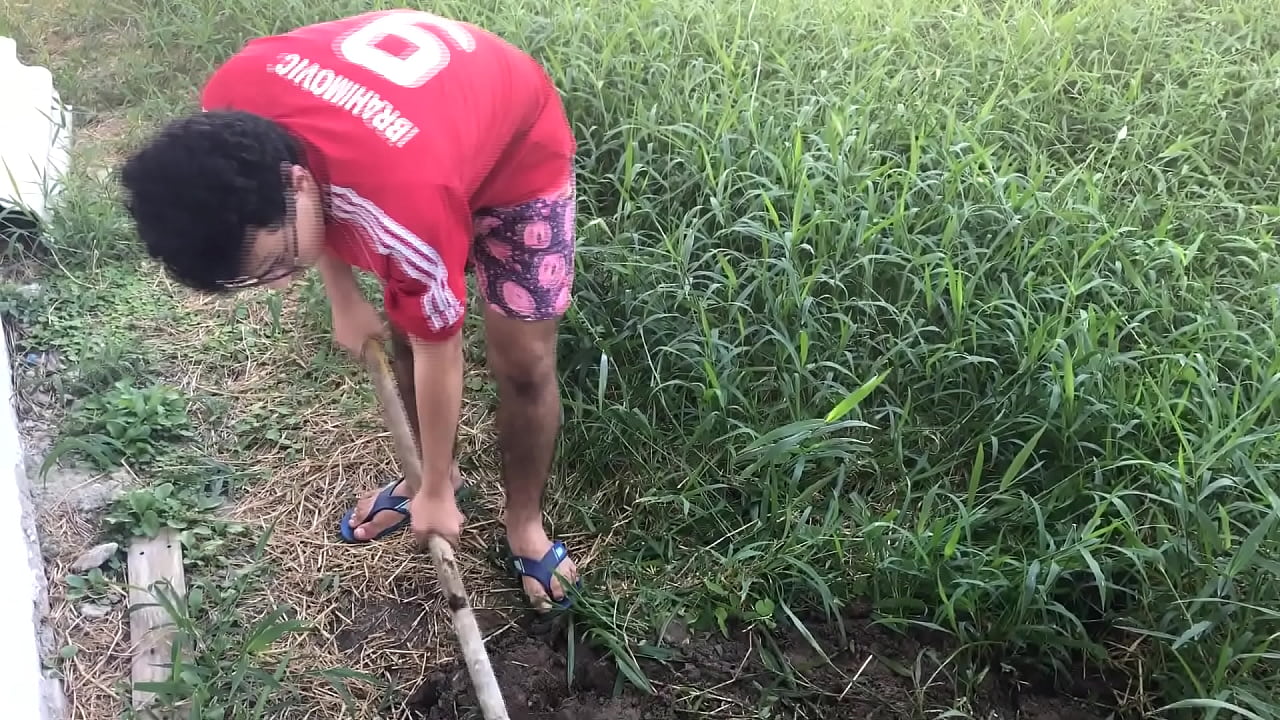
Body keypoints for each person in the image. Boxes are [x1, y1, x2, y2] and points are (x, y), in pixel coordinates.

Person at [118, 9, 580, 610]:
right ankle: (435, 476)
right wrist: (343, 294)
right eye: (257, 278)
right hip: (419, 137)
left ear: (295, 186)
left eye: (278, 263)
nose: (284, 284)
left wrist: (434, 499)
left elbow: (440, 346)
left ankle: (523, 525)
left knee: (523, 364)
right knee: (407, 326)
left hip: (516, 150)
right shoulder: (229, 108)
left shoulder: (401, 207)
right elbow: (315, 190)